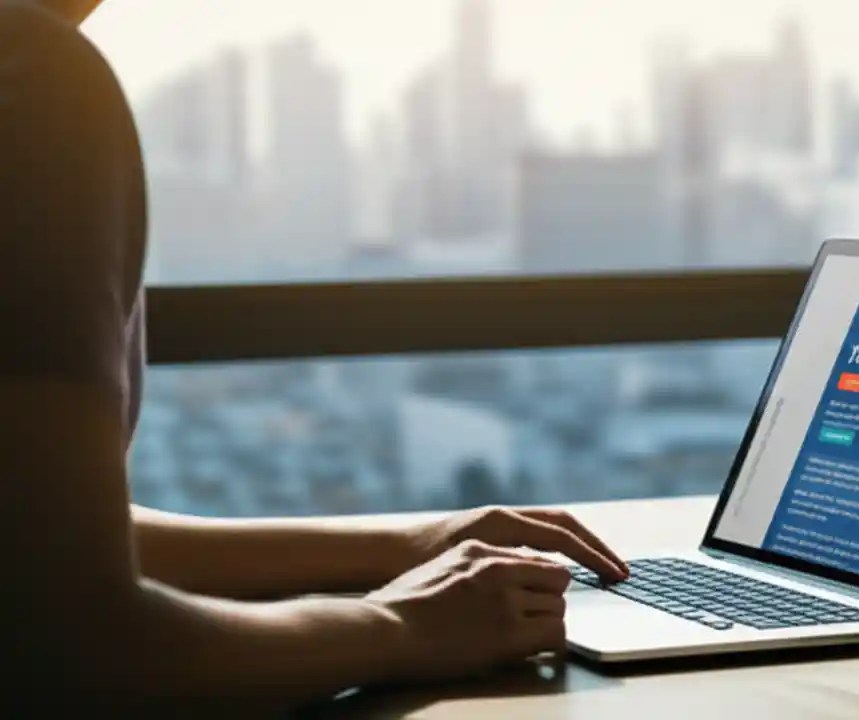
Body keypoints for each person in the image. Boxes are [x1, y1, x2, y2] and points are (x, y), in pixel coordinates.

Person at [0, 0, 628, 711]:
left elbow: (36, 538)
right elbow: (71, 640)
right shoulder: (32, 78)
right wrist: (401, 626)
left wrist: (398, 547)